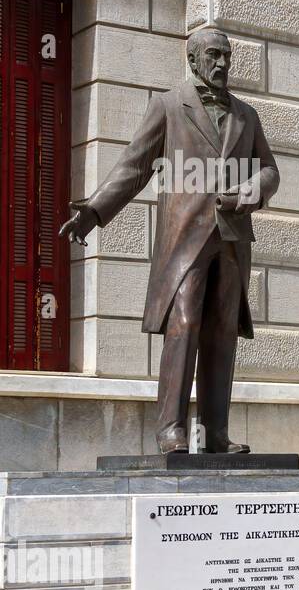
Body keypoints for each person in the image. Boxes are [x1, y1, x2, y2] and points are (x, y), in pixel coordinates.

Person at [60, 28, 279, 454]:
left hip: (232, 237)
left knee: (221, 331)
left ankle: (215, 433)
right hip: (185, 238)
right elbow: (134, 166)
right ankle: (171, 430)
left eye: (227, 57)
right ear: (194, 60)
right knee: (183, 325)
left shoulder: (246, 116)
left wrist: (253, 189)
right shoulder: (167, 106)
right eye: (213, 56)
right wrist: (93, 212)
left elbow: (269, 169)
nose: (222, 64)